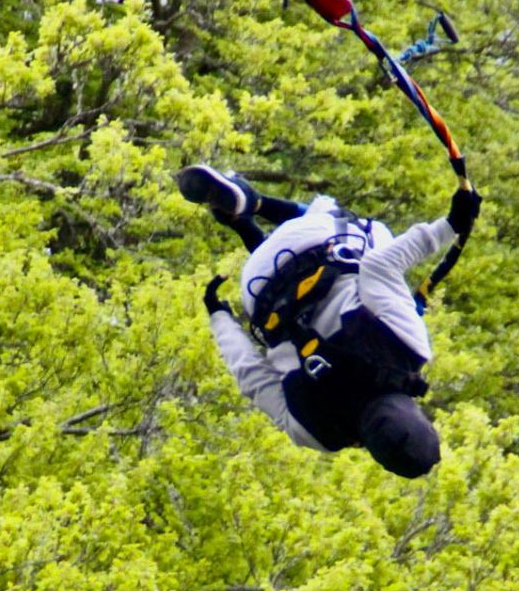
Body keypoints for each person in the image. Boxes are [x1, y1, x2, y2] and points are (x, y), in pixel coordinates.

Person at [180, 165, 481, 478]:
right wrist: (219, 317)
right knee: (291, 323)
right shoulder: (319, 434)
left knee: (368, 233)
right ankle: (243, 222)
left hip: (311, 238)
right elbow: (251, 377)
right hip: (256, 285)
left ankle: (256, 204)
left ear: (420, 417)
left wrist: (449, 227)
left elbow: (380, 266)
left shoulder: (410, 351)